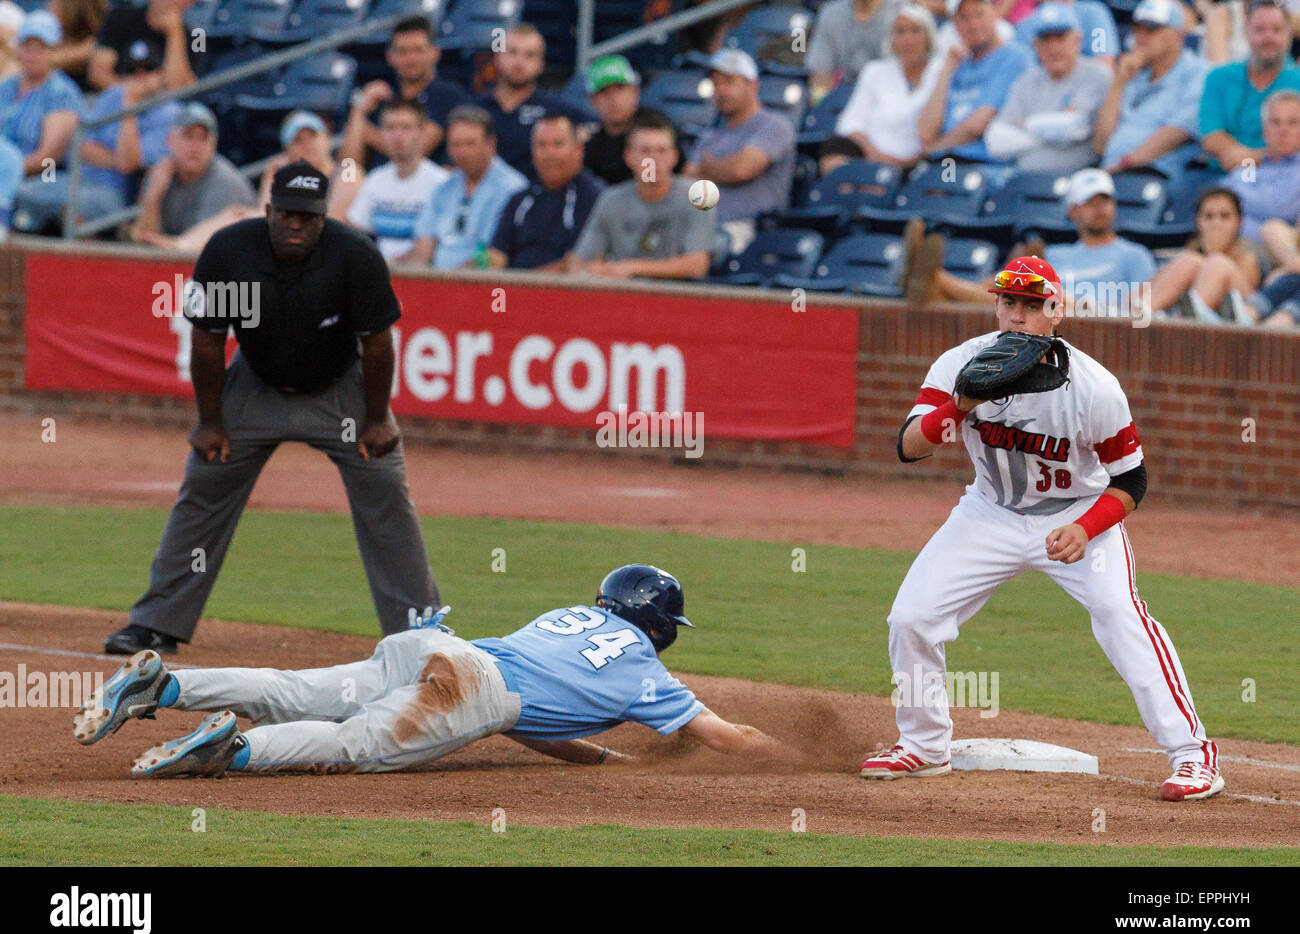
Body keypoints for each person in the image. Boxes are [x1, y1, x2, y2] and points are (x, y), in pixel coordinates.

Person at [859, 255, 1223, 803]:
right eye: (1009, 303)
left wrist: (1085, 527)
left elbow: (1133, 481)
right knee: (912, 617)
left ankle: (1193, 756)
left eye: (1032, 306)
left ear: (1056, 312)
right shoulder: (962, 364)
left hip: (1077, 513)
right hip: (989, 513)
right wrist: (960, 405)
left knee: (1121, 618)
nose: (1018, 317)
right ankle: (925, 744)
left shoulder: (1094, 386)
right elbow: (908, 448)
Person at [103, 160, 440, 657]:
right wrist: (210, 423)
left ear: (325, 216)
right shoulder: (229, 250)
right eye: (287, 214)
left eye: (308, 216)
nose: (296, 224)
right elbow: (207, 340)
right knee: (203, 488)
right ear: (269, 211)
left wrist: (375, 419)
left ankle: (420, 630)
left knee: (387, 492)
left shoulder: (355, 256)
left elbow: (377, 344)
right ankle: (155, 622)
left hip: (339, 390)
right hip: (254, 386)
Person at [76, 566, 788, 777]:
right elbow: (725, 738)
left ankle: (166, 685)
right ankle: (235, 749)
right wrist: (809, 760)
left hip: (434, 650)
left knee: (296, 690)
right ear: (660, 628)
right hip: (473, 688)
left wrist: (600, 756)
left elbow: (534, 720)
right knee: (353, 744)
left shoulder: (572, 617)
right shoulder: (644, 675)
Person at [909, 168, 1157, 318]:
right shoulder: (1057, 253)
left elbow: (1140, 309)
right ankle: (934, 288)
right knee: (1014, 277)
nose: (1099, 209)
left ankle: (934, 279)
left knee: (1034, 288)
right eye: (1089, 203)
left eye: (1104, 201)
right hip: (1039, 314)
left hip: (1091, 314)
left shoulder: (1134, 254)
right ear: (1073, 212)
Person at [11, 39, 175, 229]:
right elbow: (80, 145)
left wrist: (129, 105)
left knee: (72, 209)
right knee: (20, 192)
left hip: (117, 195)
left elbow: (127, 163)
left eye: (147, 71)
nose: (139, 79)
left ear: (161, 75)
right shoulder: (113, 96)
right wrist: (116, 159)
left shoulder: (168, 114)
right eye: (133, 72)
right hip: (78, 181)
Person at [567, 110, 715, 280]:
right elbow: (578, 262)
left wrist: (630, 268)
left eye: (661, 151)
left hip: (677, 300)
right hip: (619, 299)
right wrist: (590, 271)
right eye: (646, 151)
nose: (653, 160)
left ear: (674, 157)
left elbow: (697, 265)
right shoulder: (611, 199)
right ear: (628, 156)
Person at [682, 49, 796, 253]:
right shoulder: (710, 136)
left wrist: (707, 169)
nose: (721, 90)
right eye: (716, 84)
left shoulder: (775, 125)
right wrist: (721, 169)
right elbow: (687, 183)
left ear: (752, 85)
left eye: (729, 81)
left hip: (750, 232)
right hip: (702, 227)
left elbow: (741, 170)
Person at [986, 1, 1112, 172]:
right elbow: (995, 141)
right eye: (1045, 40)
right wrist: (1049, 132)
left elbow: (1073, 128)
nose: (1053, 48)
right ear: (1036, 46)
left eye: (1060, 38)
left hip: (1075, 179)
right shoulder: (1026, 81)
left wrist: (1024, 125)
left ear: (1077, 41)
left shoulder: (1096, 74)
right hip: (1021, 179)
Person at [398, 104, 527, 269]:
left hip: (482, 285)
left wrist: (449, 284)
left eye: (470, 144)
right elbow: (424, 245)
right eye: (456, 144)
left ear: (490, 143)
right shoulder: (444, 187)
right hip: (436, 283)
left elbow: (494, 256)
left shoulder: (513, 189)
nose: (462, 153)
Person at [1094, 0, 1209, 178]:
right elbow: (1101, 144)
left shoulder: (1199, 73)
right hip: (1115, 173)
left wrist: (1125, 164)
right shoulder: (1132, 75)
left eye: (1152, 29)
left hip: (1159, 173)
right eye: (1138, 29)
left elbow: (1178, 132)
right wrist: (1118, 82)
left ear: (1177, 34)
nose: (1141, 36)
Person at [337, 14, 466, 172]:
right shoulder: (380, 97)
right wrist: (358, 111)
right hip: (378, 188)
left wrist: (364, 130)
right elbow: (348, 167)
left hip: (426, 190)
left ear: (435, 53)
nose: (411, 59)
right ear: (390, 56)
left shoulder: (447, 94)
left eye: (418, 50)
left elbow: (416, 150)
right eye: (403, 51)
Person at [472, 22, 597, 182]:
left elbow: (596, 128)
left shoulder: (557, 109)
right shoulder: (475, 109)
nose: (519, 62)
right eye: (512, 52)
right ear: (498, 57)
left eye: (529, 55)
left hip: (538, 198)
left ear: (541, 64)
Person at [130, 102, 257, 252]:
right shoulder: (160, 173)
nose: (195, 147)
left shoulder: (226, 182)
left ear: (214, 144)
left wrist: (169, 244)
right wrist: (153, 197)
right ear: (170, 140)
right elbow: (144, 242)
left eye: (203, 138)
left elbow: (204, 253)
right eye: (188, 136)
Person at [918, 0, 1032, 163]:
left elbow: (977, 126)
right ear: (955, 24)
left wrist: (935, 149)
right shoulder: (957, 63)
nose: (973, 24)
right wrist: (947, 69)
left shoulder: (1014, 57)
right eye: (964, 18)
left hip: (986, 163)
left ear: (994, 14)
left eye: (979, 14)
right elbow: (926, 132)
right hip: (947, 162)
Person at [832, 4, 944, 168]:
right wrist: (875, 154)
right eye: (900, 32)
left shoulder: (941, 71)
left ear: (928, 35)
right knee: (834, 149)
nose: (908, 40)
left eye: (915, 31)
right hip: (871, 154)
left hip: (917, 160)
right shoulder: (875, 70)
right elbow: (850, 122)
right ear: (891, 38)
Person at [488, 113, 602, 271]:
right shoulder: (519, 199)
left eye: (558, 144)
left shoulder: (595, 198)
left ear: (578, 149)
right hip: (512, 288)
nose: (549, 154)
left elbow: (577, 262)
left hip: (562, 291)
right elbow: (497, 253)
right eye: (542, 145)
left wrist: (523, 286)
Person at [1200, 1, 1300, 172]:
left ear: (1289, 36)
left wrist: (1251, 158)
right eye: (1260, 29)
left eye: (1277, 30)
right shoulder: (1219, 77)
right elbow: (1211, 135)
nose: (1268, 38)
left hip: (1284, 173)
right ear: (1246, 33)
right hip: (1225, 172)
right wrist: (1242, 159)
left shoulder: (1296, 80)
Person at [346, 99, 450, 262]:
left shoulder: (440, 182)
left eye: (406, 127)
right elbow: (353, 234)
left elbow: (432, 248)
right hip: (378, 274)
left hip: (422, 277)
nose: (397, 135)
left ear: (422, 132)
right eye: (390, 127)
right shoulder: (375, 179)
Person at [1149, 186, 1262, 321]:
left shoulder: (1248, 257)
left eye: (1225, 217)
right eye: (1209, 217)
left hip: (1230, 326)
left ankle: (1181, 324)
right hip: (1169, 311)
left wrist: (1214, 252)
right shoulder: (1188, 256)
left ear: (1239, 221)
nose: (1216, 223)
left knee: (1217, 263)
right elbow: (1137, 295)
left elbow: (1245, 302)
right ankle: (1139, 322)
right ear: (1198, 221)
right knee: (1190, 261)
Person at [0, 11, 84, 178]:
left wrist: (8, 171)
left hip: (40, 177)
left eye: (40, 49)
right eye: (27, 47)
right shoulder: (7, 86)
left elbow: (48, 158)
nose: (32, 55)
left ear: (54, 51)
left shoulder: (61, 94)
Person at [1222, 87, 1300, 242]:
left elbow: (1279, 209)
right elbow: (1226, 192)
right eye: (1275, 122)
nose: (1283, 130)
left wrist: (1239, 202)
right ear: (1265, 130)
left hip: (1276, 247)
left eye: (1293, 123)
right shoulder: (1251, 164)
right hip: (1235, 244)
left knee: (1273, 229)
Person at [257, 110, 357, 222]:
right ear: (287, 151)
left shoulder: (348, 171)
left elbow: (334, 222)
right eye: (298, 140)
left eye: (313, 135)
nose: (307, 144)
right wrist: (272, 176)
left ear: (327, 138)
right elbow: (264, 218)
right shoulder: (291, 183)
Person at [89, 0, 197, 92]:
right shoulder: (121, 17)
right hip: (119, 103)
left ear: (189, 2)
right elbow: (98, 74)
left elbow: (177, 88)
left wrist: (174, 32)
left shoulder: (196, 38)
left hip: (164, 109)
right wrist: (138, 90)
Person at [807, 0, 900, 99]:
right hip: (846, 98)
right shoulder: (832, 13)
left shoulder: (900, 13)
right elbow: (821, 75)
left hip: (891, 98)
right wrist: (821, 107)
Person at [582, 54, 642, 186]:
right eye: (604, 92)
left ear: (635, 92)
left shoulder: (657, 130)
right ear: (592, 101)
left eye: (620, 89)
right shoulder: (590, 148)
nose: (613, 99)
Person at [1013, 0, 1120, 65]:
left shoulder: (1094, 14)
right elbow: (1025, 73)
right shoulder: (1025, 26)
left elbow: (1104, 61)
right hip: (1043, 94)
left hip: (1087, 90)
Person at [49, 0, 106, 92]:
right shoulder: (54, 38)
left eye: (56, 3)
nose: (49, 7)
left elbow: (48, 60)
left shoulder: (97, 42)